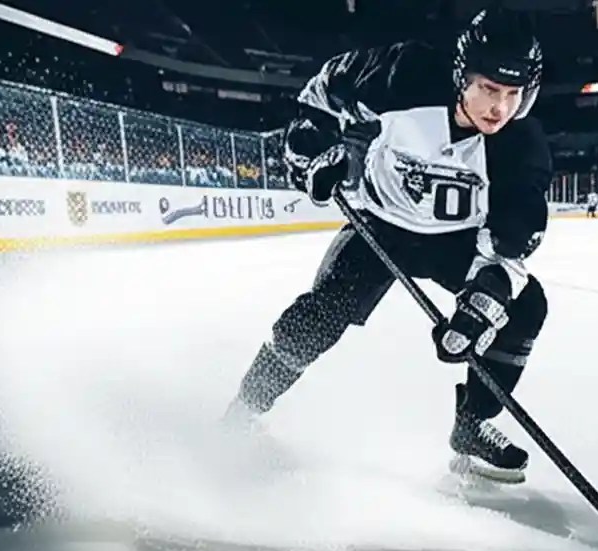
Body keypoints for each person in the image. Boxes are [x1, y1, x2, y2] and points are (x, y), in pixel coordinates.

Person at [223, 8, 550, 484]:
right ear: (463, 76)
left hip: (453, 243)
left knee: (528, 305)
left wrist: (484, 303)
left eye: (512, 94)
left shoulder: (521, 146)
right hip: (380, 226)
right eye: (488, 89)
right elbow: (323, 94)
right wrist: (312, 151)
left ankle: (472, 425)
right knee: (319, 316)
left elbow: (511, 243)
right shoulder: (404, 76)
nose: (499, 108)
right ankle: (242, 412)